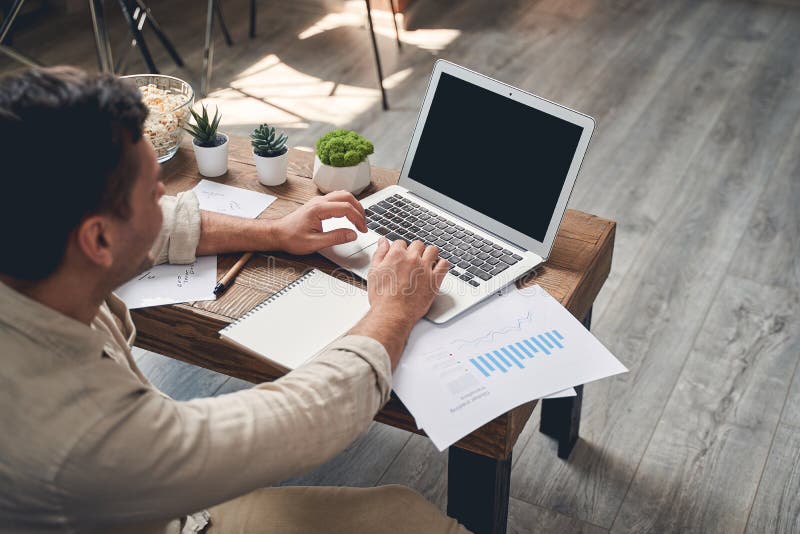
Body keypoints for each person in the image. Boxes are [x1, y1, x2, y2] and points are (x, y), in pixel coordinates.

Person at [0, 67, 470, 534]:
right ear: (97, 241)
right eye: (151, 190)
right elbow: (304, 418)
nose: (165, 195)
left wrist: (274, 232)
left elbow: (156, 223)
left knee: (397, 506)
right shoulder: (73, 434)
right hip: (177, 515)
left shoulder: (30, 243)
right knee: (414, 521)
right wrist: (393, 309)